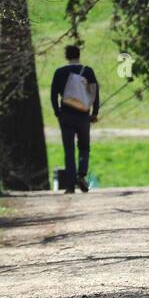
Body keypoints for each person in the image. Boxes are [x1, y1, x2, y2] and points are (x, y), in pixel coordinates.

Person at [50, 44, 99, 193]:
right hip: (83, 116)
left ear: (66, 56)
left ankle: (70, 185)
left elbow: (53, 95)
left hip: (66, 115)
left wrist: (57, 112)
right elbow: (95, 93)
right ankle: (81, 175)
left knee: (69, 149)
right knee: (84, 147)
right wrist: (94, 112)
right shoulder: (87, 71)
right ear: (79, 55)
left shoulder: (59, 72)